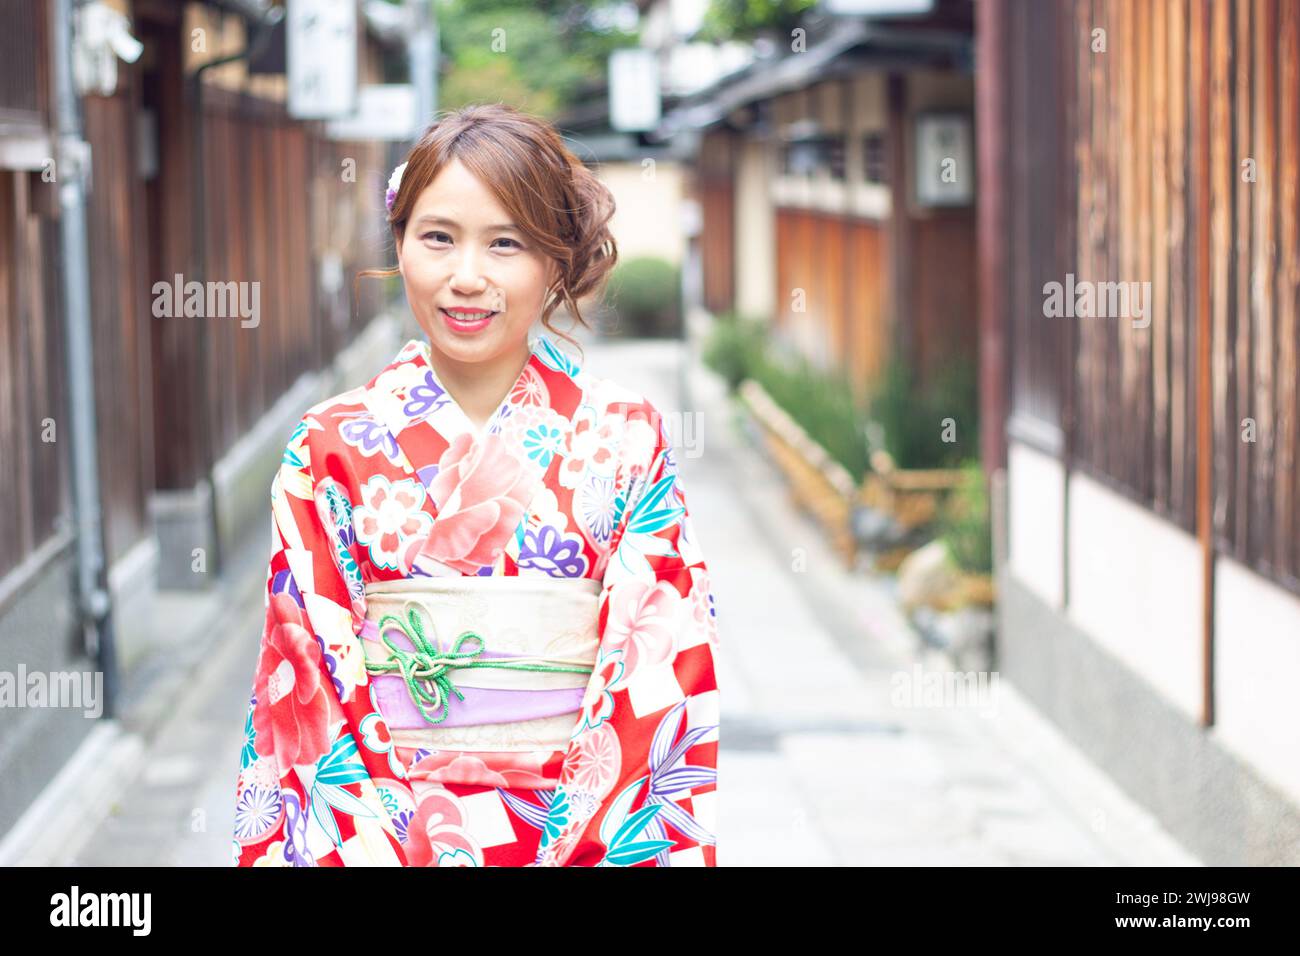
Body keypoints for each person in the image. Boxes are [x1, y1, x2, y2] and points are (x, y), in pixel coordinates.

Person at [231, 103, 720, 867]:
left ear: (556, 260)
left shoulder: (626, 438)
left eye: (506, 243)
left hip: (573, 828)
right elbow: (309, 681)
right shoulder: (328, 447)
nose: (466, 277)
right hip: (382, 832)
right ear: (399, 244)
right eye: (437, 237)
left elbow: (660, 668)